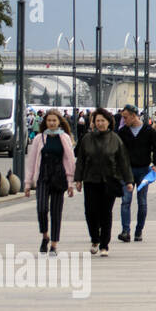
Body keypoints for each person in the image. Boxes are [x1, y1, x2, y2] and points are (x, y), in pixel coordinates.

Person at [74, 108, 134, 257]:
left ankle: (104, 244)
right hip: (90, 179)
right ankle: (95, 238)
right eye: (97, 121)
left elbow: (123, 161)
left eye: (103, 121)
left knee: (106, 213)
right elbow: (80, 160)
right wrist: (78, 179)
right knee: (90, 211)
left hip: (109, 180)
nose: (100, 123)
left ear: (109, 122)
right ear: (93, 123)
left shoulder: (115, 139)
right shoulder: (87, 139)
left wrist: (128, 180)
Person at [24, 109, 77, 255]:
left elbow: (70, 160)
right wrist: (28, 183)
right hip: (43, 176)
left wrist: (70, 182)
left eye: (54, 120)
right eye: (49, 121)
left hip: (59, 177)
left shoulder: (64, 138)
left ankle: (54, 244)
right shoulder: (39, 138)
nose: (52, 123)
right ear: (45, 122)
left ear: (59, 122)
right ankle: (45, 235)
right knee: (41, 208)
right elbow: (31, 161)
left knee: (56, 212)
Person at [116, 104, 156, 243]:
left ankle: (138, 230)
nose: (123, 120)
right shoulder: (123, 132)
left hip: (143, 170)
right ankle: (125, 231)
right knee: (125, 201)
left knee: (142, 202)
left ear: (133, 115)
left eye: (125, 117)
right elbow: (118, 150)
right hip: (127, 170)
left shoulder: (148, 131)